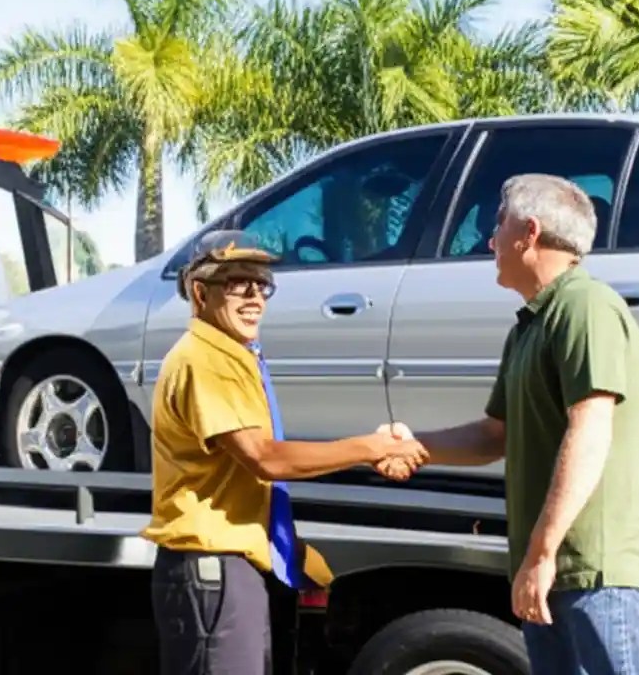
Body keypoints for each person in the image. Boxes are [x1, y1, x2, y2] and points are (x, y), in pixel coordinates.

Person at [387, 174, 639, 674]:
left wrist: (540, 552)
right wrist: (413, 446)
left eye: (499, 224)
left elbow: (591, 428)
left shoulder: (586, 307)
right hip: (552, 570)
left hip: (595, 572)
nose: (490, 240)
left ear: (529, 232)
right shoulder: (530, 326)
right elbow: (496, 435)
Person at [141, 230, 429, 675]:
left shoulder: (231, 355)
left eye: (262, 284)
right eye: (237, 283)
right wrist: (370, 448)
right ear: (199, 292)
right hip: (212, 565)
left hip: (232, 566)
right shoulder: (204, 360)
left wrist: (287, 550)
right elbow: (265, 458)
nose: (255, 296)